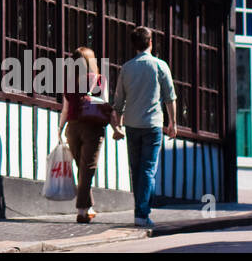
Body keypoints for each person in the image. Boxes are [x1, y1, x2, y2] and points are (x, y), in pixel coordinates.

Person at [111, 26, 177, 228]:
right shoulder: (160, 66)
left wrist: (117, 127)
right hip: (153, 125)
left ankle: (143, 208)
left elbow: (118, 102)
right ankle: (142, 212)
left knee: (137, 169)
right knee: (148, 170)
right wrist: (173, 123)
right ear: (150, 43)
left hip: (131, 124)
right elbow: (170, 97)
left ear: (134, 44)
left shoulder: (126, 68)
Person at [57, 47, 123, 224]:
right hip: (92, 127)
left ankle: (89, 206)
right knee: (88, 169)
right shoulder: (99, 81)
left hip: (73, 127)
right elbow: (106, 106)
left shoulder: (68, 81)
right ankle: (81, 210)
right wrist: (116, 128)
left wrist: (60, 128)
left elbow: (65, 108)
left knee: (82, 168)